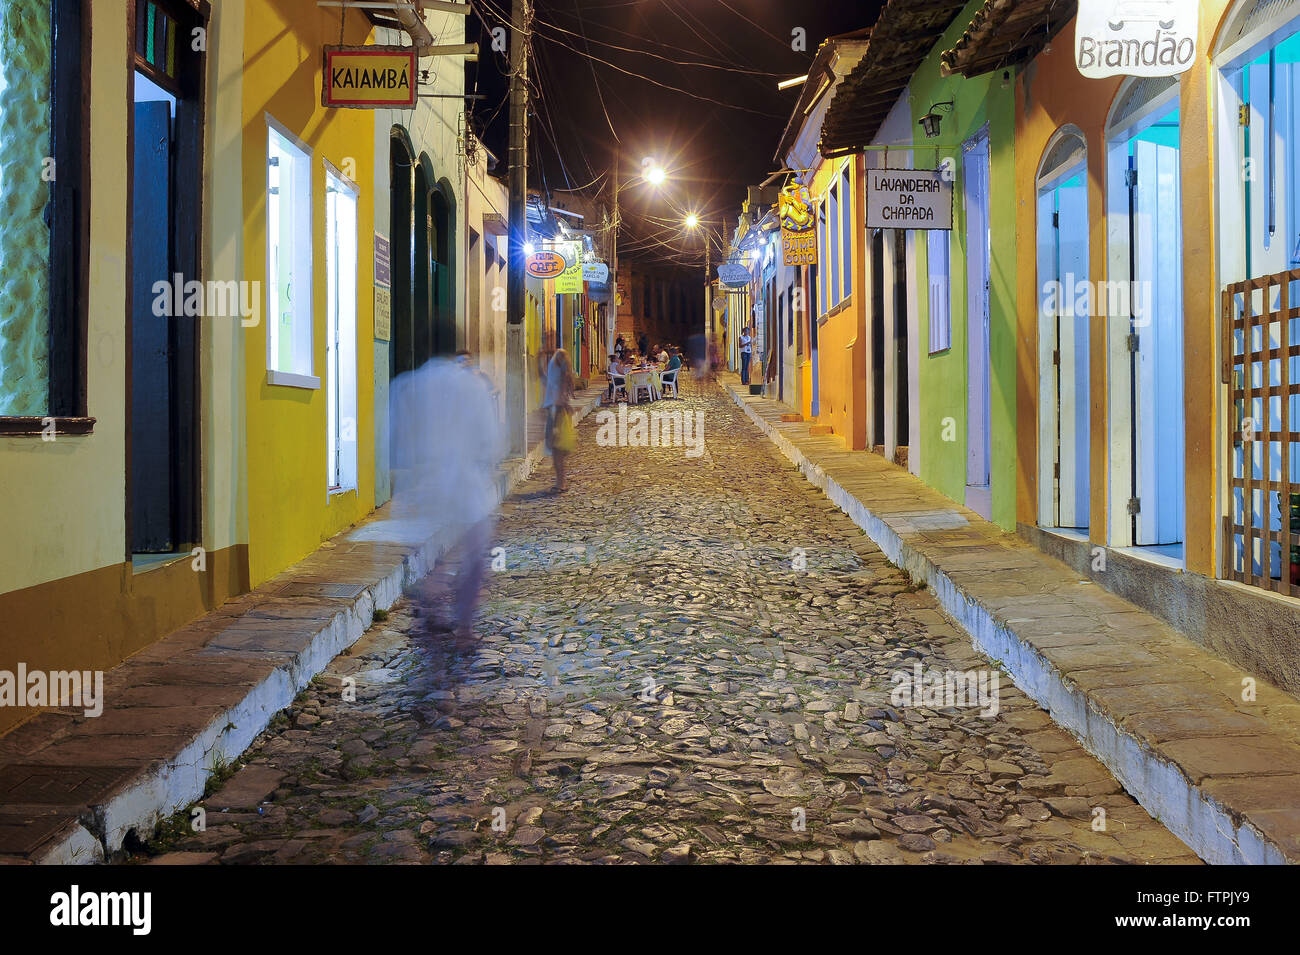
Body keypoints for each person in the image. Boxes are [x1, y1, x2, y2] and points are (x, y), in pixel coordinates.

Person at [389, 357, 504, 644]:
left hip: (424, 486)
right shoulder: (473, 387)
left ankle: (432, 609)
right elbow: (490, 439)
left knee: (435, 558)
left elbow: (394, 437)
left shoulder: (409, 384)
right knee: (474, 555)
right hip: (465, 486)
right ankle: (464, 627)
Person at [543, 348, 577, 492]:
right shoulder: (554, 362)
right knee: (556, 448)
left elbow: (564, 379)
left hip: (556, 410)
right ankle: (561, 481)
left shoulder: (560, 355)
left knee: (557, 448)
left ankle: (561, 483)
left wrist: (561, 403)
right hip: (555, 408)